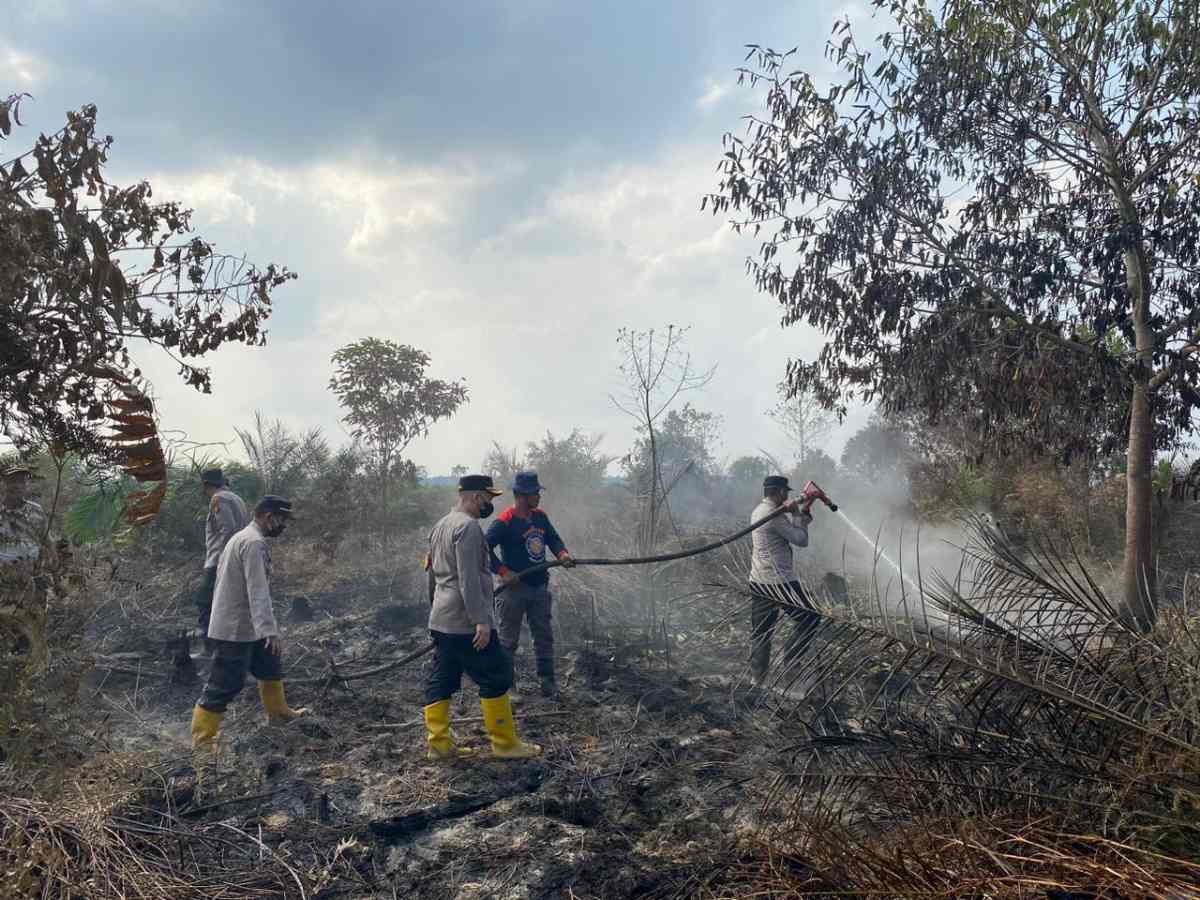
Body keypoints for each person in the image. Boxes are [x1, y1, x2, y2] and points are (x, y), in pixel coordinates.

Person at [424, 474, 541, 760]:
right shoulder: (468, 528)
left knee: (443, 677)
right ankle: (504, 745)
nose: (489, 504)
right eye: (488, 498)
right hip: (464, 621)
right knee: (498, 674)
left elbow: (430, 574)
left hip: (441, 619)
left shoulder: (441, 524)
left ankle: (438, 745)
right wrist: (481, 621)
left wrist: (434, 613)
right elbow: (468, 580)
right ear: (477, 497)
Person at [190, 495, 307, 753]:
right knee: (225, 684)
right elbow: (258, 590)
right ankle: (203, 741)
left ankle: (279, 714)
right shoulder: (253, 543)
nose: (283, 526)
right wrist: (269, 630)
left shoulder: (244, 537)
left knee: (269, 665)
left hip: (247, 625)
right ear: (269, 517)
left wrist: (264, 630)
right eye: (282, 520)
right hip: (235, 629)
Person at [486, 470, 574, 699]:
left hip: (539, 587)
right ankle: (508, 687)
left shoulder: (540, 517)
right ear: (522, 495)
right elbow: (483, 549)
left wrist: (562, 554)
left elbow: (553, 539)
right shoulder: (504, 521)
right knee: (508, 640)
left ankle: (547, 682)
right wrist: (504, 572)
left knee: (543, 635)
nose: (539, 496)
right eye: (535, 492)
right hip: (513, 591)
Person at [748, 475, 821, 692]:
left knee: (761, 632)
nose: (788, 496)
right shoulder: (773, 514)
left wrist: (801, 511)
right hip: (779, 581)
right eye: (786, 492)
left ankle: (757, 681)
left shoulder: (759, 511)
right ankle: (790, 664)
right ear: (779, 492)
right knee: (809, 618)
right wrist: (798, 513)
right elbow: (801, 540)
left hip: (759, 580)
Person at [0, 465, 56, 671]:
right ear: (4, 483)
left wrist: (54, 568)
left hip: (32, 577)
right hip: (5, 580)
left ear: (27, 484)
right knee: (8, 623)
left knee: (34, 623)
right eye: (12, 481)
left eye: (22, 481)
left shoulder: (36, 511)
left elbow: (47, 541)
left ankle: (34, 669)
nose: (17, 485)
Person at [196, 468, 249, 647]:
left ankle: (209, 647)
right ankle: (222, 645)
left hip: (219, 560)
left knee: (205, 601)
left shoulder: (218, 499)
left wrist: (223, 559)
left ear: (206, 485)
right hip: (236, 558)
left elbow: (229, 529)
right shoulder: (237, 499)